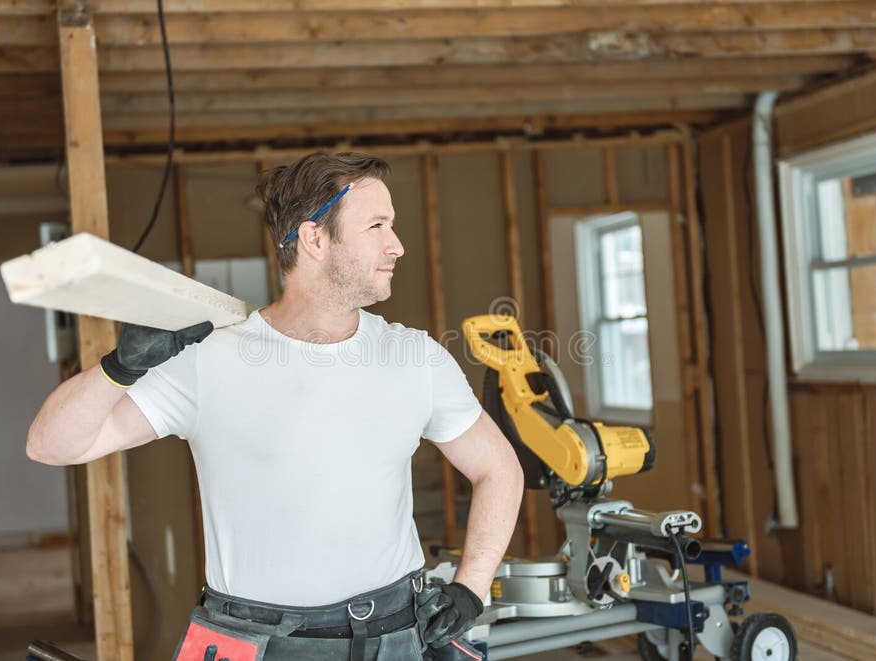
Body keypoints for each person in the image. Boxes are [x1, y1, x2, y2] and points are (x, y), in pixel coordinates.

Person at [26, 152, 524, 660]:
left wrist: (471, 588)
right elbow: (51, 445)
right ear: (314, 239)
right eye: (377, 226)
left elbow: (498, 468)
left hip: (393, 636)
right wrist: (119, 369)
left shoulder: (415, 357)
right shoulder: (210, 358)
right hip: (256, 642)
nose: (397, 245)